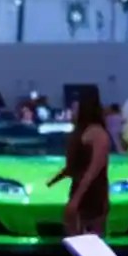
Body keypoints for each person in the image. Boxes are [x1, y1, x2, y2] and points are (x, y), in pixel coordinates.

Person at [48, 91, 111, 237]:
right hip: (80, 188)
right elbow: (74, 166)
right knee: (74, 235)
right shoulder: (80, 132)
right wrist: (53, 181)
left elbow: (94, 169)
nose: (71, 112)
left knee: (90, 238)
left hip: (92, 192)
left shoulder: (97, 133)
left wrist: (76, 198)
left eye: (75, 108)